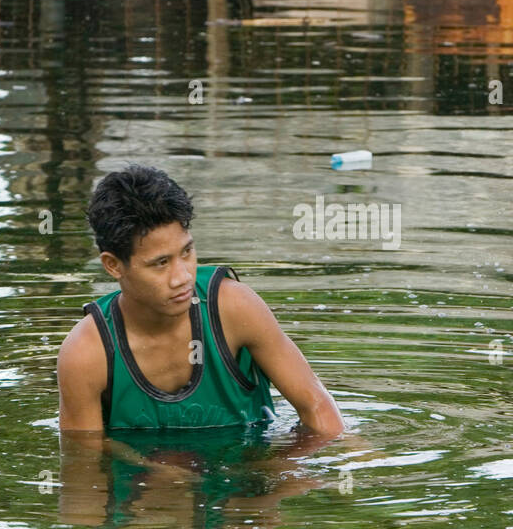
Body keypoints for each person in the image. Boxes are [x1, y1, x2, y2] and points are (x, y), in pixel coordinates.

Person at [57, 164, 346, 439]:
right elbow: (84, 464)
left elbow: (316, 407)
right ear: (113, 265)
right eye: (160, 263)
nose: (182, 277)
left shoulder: (234, 308)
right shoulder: (85, 354)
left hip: (249, 478)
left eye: (186, 252)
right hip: (146, 487)